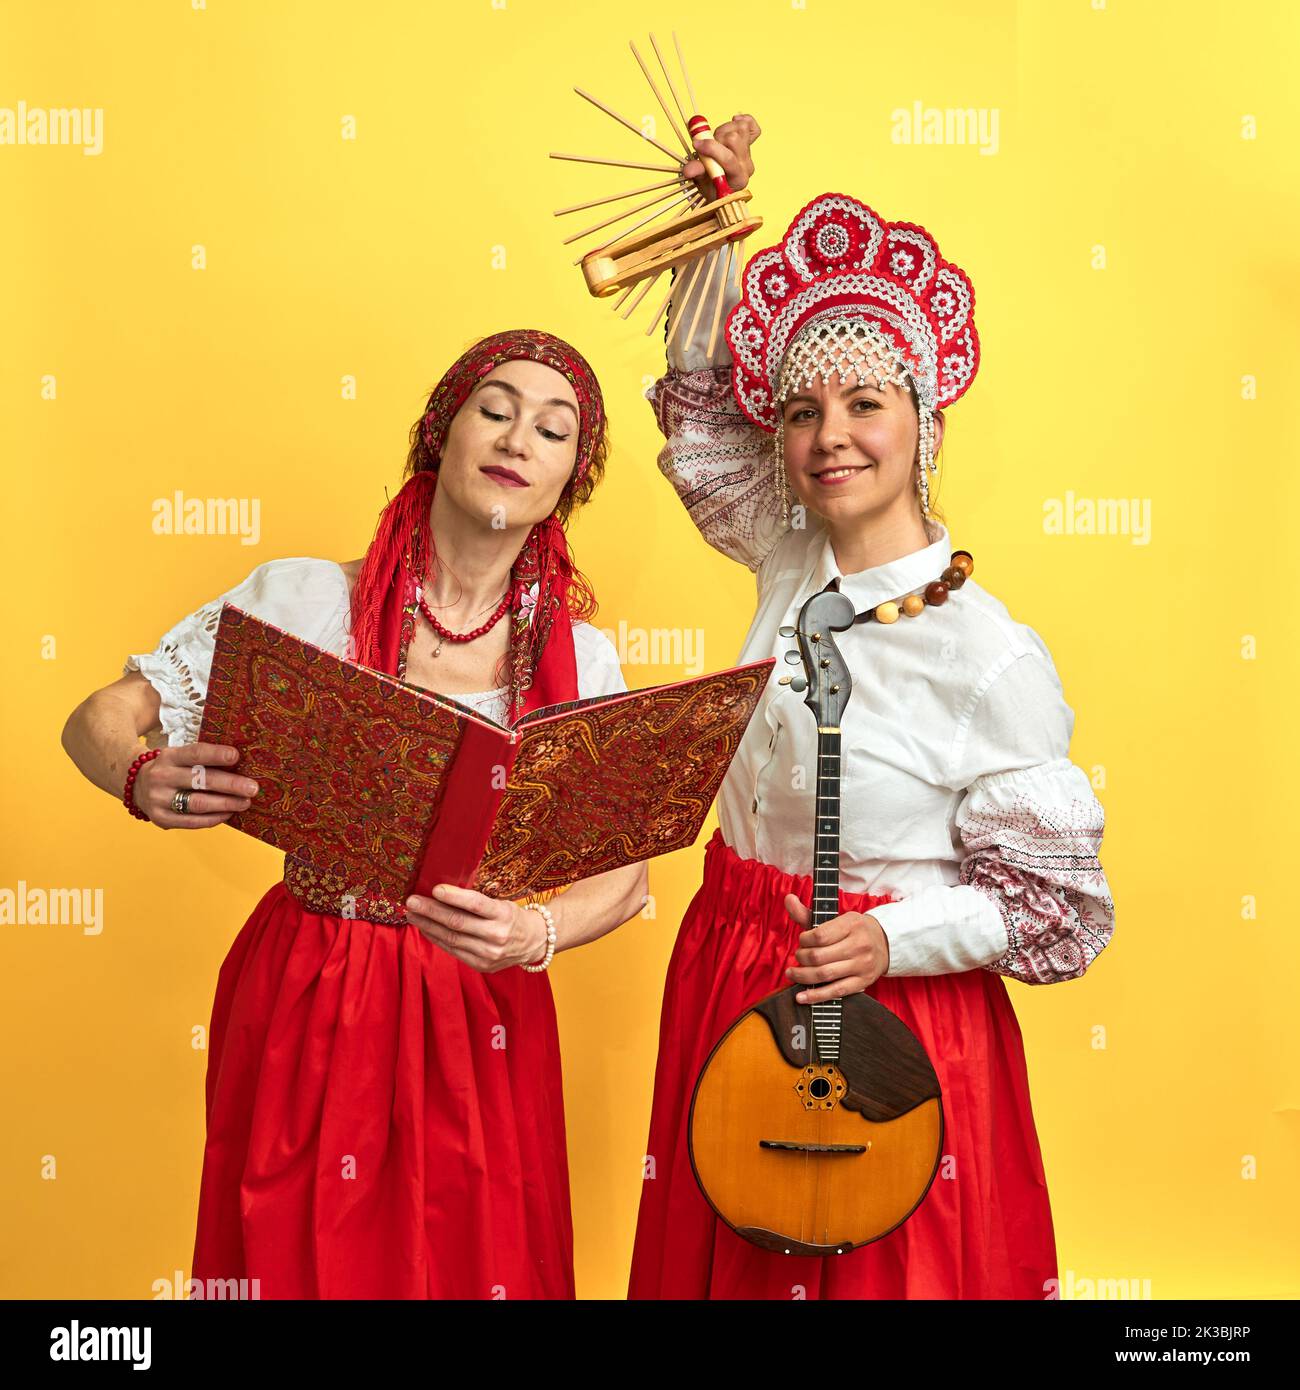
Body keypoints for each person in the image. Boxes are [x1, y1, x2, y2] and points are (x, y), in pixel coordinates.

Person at [627, 121, 1116, 1299]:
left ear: (923, 420)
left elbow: (1051, 908)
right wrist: (714, 223)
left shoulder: (988, 653)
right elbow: (700, 405)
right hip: (733, 967)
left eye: (863, 404)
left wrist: (890, 938)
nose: (828, 435)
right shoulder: (785, 554)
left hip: (889, 1021)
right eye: (800, 412)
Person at [61, 330, 649, 1300]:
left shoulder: (581, 661)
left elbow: (625, 879)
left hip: (478, 1000)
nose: (517, 438)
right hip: (310, 978)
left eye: (553, 430)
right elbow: (102, 716)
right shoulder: (304, 600)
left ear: (568, 480)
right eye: (494, 408)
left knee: (476, 1264)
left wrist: (532, 930)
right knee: (292, 1255)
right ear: (440, 433)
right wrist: (140, 774)